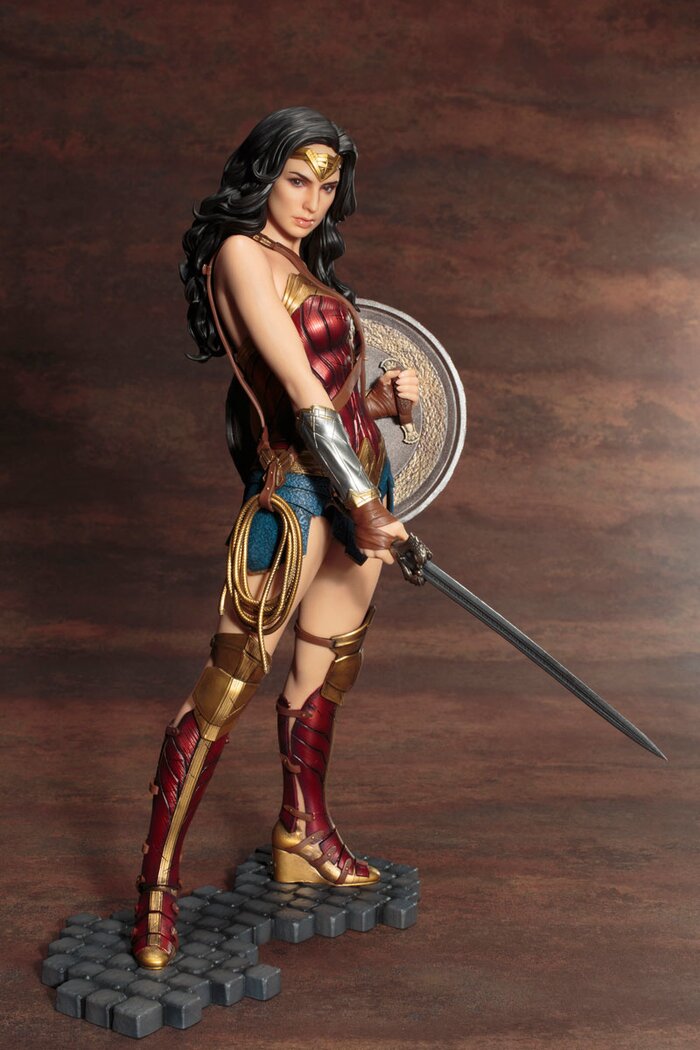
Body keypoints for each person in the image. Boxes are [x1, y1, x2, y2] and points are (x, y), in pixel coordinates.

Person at [131, 107, 420, 969]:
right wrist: (363, 503)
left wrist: (379, 405)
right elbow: (297, 393)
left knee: (326, 667)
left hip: (360, 484)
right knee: (229, 683)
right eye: (298, 179)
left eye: (327, 186)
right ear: (264, 175)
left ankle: (303, 832)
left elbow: (336, 397)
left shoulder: (302, 265)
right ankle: (155, 890)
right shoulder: (240, 254)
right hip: (299, 495)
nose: (312, 200)